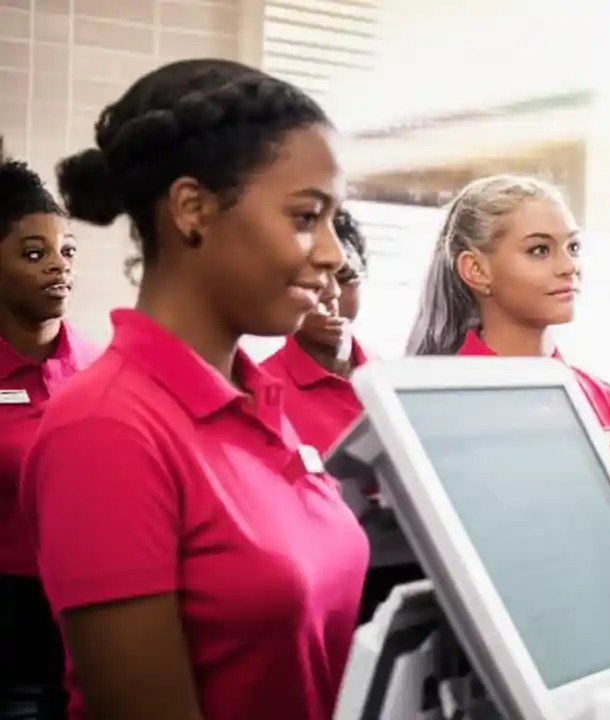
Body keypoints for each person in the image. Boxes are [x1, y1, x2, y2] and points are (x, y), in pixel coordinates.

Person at [21, 59, 369, 720]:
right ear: (193, 209)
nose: (332, 254)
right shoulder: (106, 431)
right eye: (306, 216)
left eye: (334, 220)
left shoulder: (258, 405)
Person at [406, 174, 610, 497]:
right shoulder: (426, 408)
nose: (569, 266)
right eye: (540, 250)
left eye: (573, 247)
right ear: (476, 270)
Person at [0, 160, 99, 720]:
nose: (58, 267)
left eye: (67, 251)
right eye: (34, 254)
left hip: (87, 616)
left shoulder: (99, 366)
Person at [263, 207, 370, 454]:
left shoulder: (392, 381)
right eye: (314, 276)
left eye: (345, 277)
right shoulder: (257, 396)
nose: (333, 292)